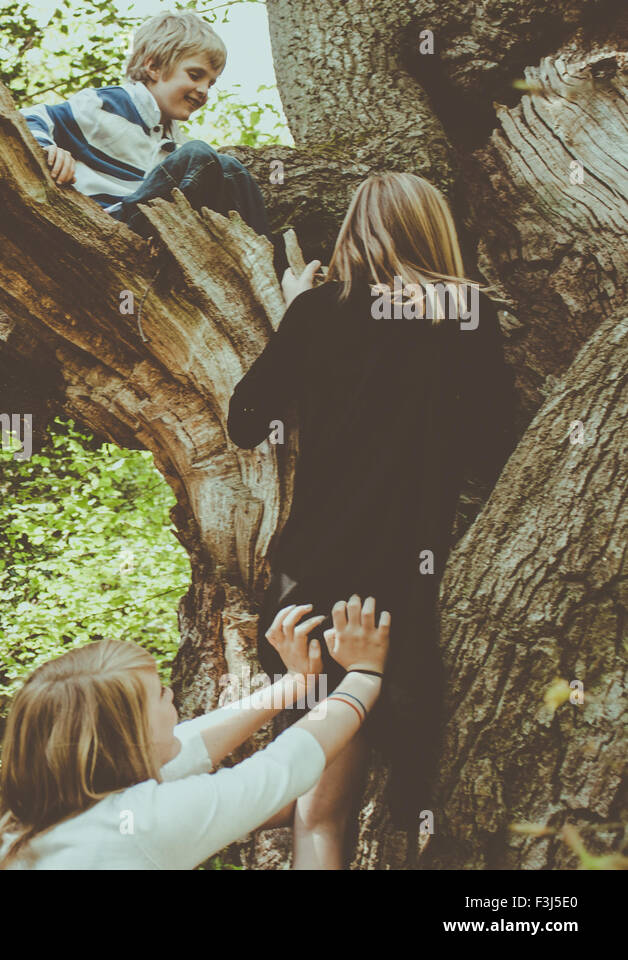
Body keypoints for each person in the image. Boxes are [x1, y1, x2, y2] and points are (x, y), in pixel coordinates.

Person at [227, 171, 517, 867]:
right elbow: (495, 444)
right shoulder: (465, 314)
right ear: (433, 231)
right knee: (432, 800)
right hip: (409, 587)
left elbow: (245, 422)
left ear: (354, 230)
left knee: (323, 813)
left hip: (315, 580)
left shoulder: (320, 311)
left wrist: (295, 313)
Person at [0, 596, 390, 869]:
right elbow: (283, 766)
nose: (171, 693)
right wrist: (364, 673)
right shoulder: (142, 822)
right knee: (313, 818)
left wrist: (297, 684)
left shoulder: (30, 819)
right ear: (128, 738)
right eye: (159, 694)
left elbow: (194, 742)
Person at [19, 11, 288, 275]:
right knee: (201, 155)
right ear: (154, 67)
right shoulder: (109, 105)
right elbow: (29, 117)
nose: (204, 90)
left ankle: (275, 272)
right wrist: (47, 150)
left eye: (211, 83)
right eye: (195, 75)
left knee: (228, 168)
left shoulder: (173, 140)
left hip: (152, 236)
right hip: (107, 225)